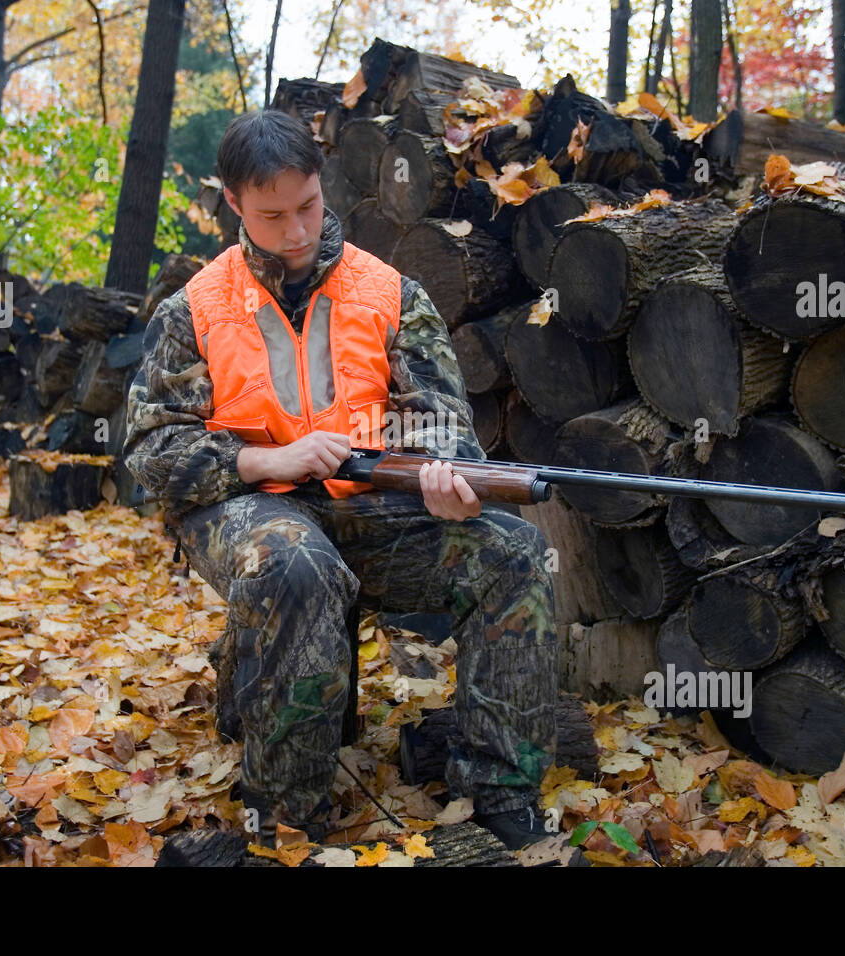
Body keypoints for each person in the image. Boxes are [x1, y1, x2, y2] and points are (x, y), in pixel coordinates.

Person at [122, 109, 562, 854]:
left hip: (374, 510)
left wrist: (443, 477)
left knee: (516, 553)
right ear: (233, 204)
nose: (295, 231)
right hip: (249, 513)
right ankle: (288, 818)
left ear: (324, 185)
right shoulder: (192, 309)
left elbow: (438, 422)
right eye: (272, 216)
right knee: (298, 567)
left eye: (309, 207)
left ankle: (500, 788)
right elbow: (152, 454)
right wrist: (264, 462)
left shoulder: (391, 292)